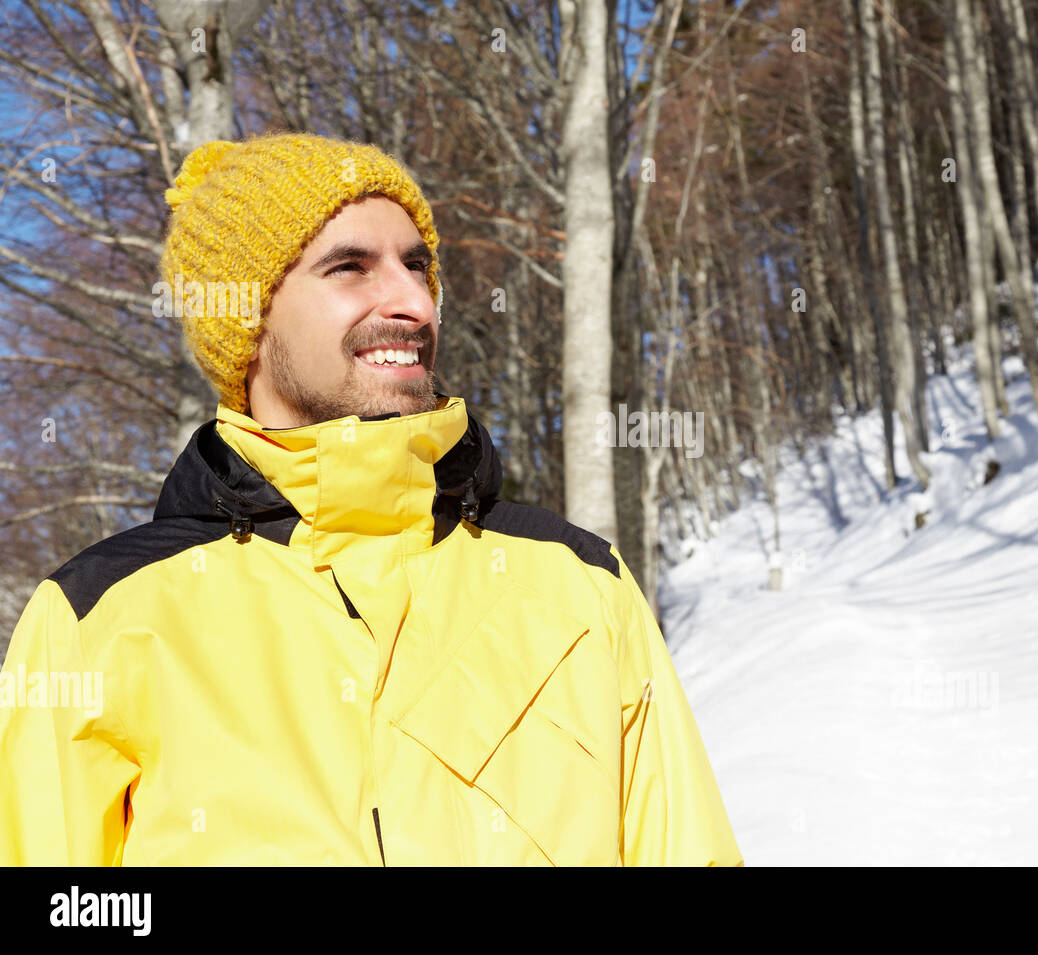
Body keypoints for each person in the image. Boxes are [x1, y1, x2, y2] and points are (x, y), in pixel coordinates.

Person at [0, 132, 744, 867]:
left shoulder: (582, 583)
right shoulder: (100, 617)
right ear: (249, 317)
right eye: (350, 267)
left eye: (417, 265)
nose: (413, 300)